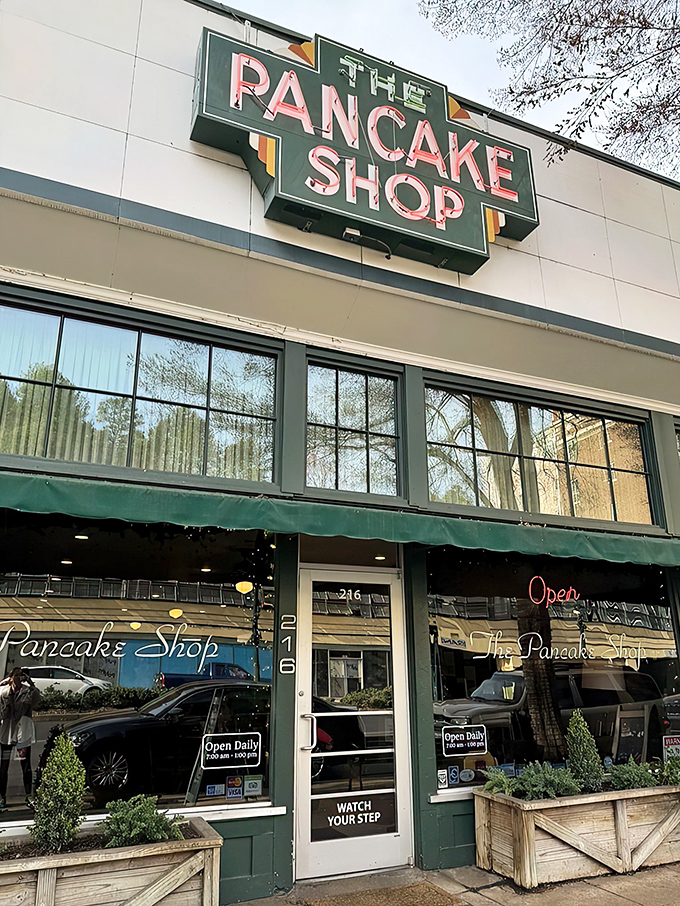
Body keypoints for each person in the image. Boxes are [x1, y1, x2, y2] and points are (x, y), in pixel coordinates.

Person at [0, 668, 41, 810]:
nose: (18, 678)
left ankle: (29, 796)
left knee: (25, 765)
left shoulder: (27, 691)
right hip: (7, 733)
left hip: (22, 733)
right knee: (3, 766)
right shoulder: (4, 692)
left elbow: (37, 700)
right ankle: (2, 797)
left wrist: (30, 682)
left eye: (20, 675)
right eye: (16, 675)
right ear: (11, 678)